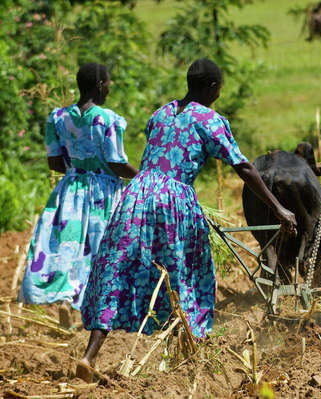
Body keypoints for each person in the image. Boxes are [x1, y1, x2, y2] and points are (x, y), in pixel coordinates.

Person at [77, 58, 297, 382]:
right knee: (189, 277)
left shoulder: (161, 113)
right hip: (173, 201)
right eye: (219, 89)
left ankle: (88, 356)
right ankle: (190, 361)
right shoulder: (211, 120)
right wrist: (278, 207)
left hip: (136, 194)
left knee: (117, 271)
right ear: (212, 88)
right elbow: (244, 167)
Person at [18, 63, 138, 328]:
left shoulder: (58, 117)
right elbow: (116, 161)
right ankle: (96, 311)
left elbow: (53, 162)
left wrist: (76, 170)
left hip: (70, 191)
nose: (109, 87)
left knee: (69, 248)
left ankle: (65, 297)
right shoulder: (107, 119)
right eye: (108, 82)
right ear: (99, 86)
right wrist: (141, 176)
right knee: (101, 250)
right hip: (103, 194)